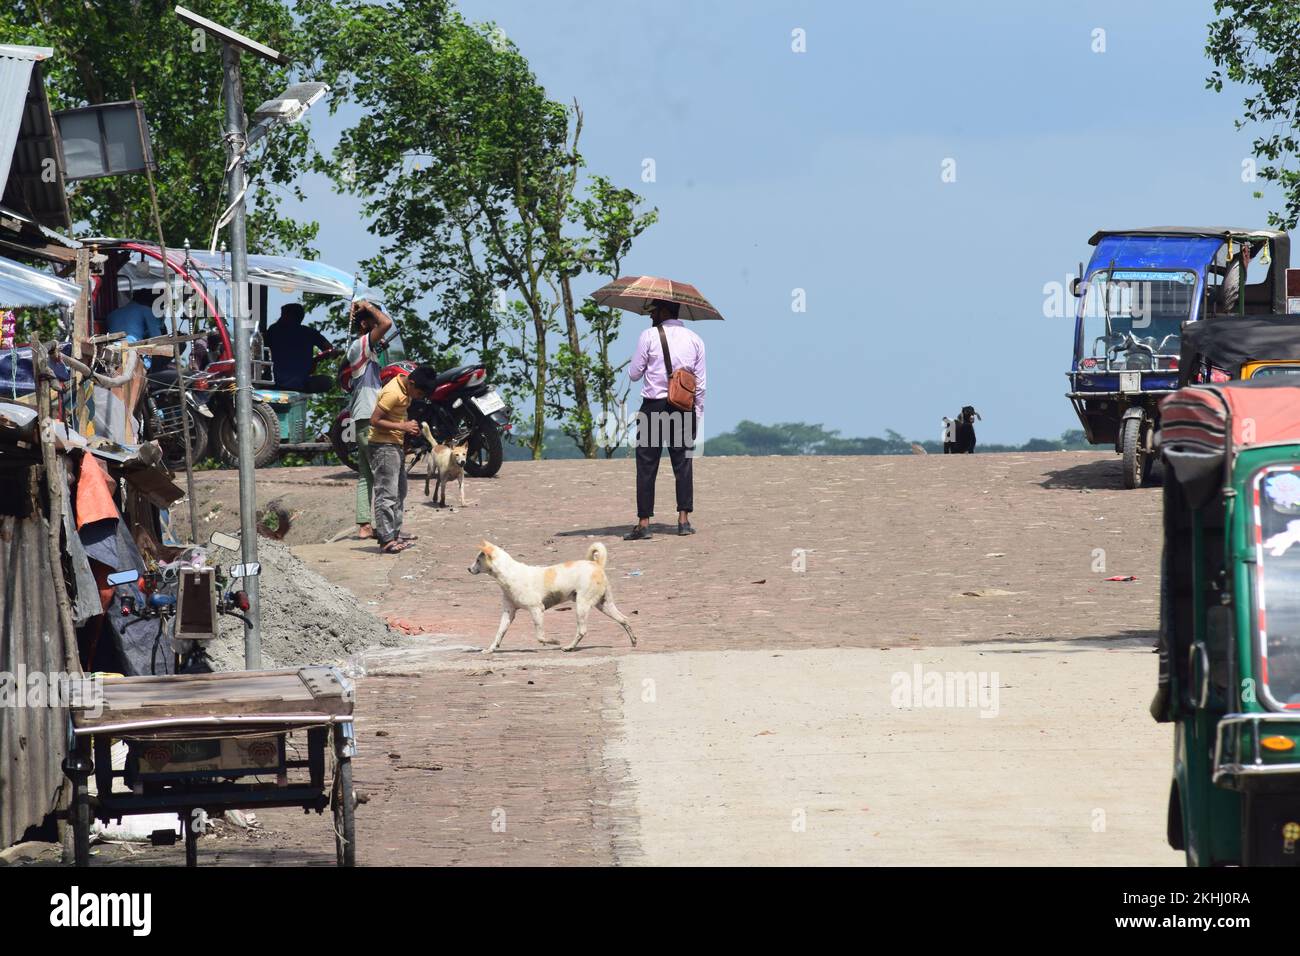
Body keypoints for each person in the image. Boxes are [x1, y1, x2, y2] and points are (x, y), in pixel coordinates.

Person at [625, 299, 707, 540]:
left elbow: (634, 374)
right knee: (682, 463)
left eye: (653, 312)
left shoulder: (648, 336)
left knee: (647, 464)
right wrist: (697, 415)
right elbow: (700, 384)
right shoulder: (695, 340)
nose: (650, 316)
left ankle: (644, 522)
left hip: (654, 406)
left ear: (662, 311)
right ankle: (683, 520)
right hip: (683, 407)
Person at [368, 364, 437, 554]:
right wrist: (403, 427)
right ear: (412, 383)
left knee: (400, 491)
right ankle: (386, 539)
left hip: (394, 445)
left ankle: (395, 532)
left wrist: (406, 432)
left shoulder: (405, 385)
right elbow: (374, 420)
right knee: (386, 493)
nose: (419, 398)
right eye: (420, 393)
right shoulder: (393, 393)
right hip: (382, 446)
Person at [343, 299, 393, 540]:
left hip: (362, 415)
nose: (378, 327)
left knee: (366, 474)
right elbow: (387, 322)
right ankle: (386, 527)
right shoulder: (360, 345)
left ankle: (365, 525)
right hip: (368, 416)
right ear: (365, 324)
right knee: (383, 471)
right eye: (373, 323)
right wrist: (367, 306)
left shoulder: (364, 349)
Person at [263, 303, 332, 392]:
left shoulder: (274, 329)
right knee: (327, 382)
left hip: (275, 382)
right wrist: (315, 360)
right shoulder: (309, 332)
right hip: (299, 384)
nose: (280, 319)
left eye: (282, 315)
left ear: (288, 316)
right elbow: (330, 350)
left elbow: (329, 350)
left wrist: (314, 360)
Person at [106, 287, 164, 369]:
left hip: (110, 352)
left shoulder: (112, 314)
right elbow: (158, 338)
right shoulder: (146, 310)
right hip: (131, 350)